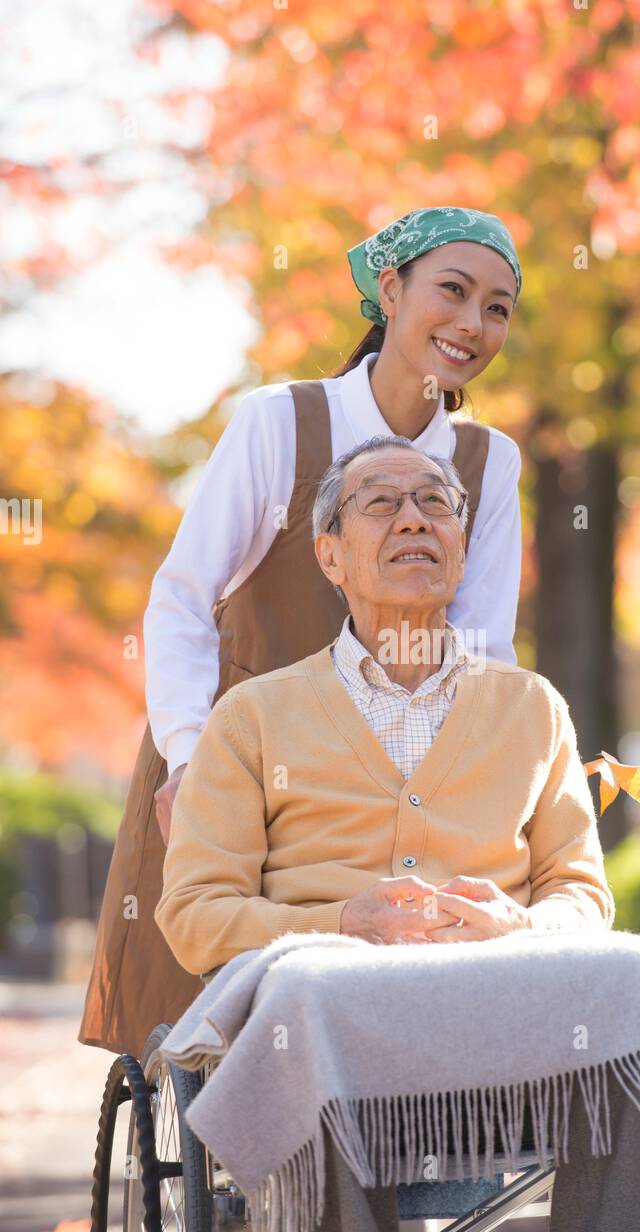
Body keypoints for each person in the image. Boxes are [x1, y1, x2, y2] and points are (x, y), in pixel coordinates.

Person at [153, 436, 640, 1232]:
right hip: (332, 1057)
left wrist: (520, 925)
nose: (413, 519)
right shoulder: (252, 718)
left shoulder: (529, 708)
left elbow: (581, 894)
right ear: (330, 555)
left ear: (462, 547)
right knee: (314, 995)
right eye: (380, 503)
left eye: (436, 502)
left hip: (503, 1050)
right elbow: (196, 915)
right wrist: (337, 926)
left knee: (623, 980)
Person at [78, 207, 526, 1060]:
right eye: (454, 291)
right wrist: (192, 761)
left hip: (390, 780)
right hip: (240, 765)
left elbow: (480, 651)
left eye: (498, 308)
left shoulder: (487, 462)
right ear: (389, 292)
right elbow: (180, 599)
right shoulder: (280, 421)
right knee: (215, 1031)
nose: (473, 323)